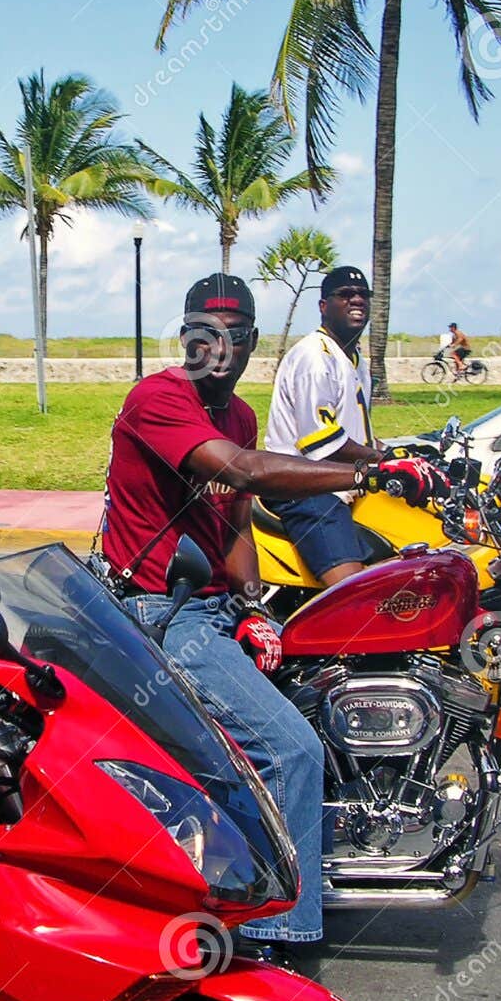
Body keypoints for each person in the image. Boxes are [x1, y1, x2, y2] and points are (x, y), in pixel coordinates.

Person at [101, 272, 445, 963]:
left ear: (253, 340)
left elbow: (233, 522)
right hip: (159, 609)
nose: (218, 348)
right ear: (185, 336)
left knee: (324, 688)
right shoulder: (158, 398)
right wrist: (371, 473)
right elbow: (245, 472)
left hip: (212, 604)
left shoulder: (238, 414)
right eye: (204, 334)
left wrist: (254, 608)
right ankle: (275, 943)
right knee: (290, 750)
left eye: (234, 335)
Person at [265, 266, 383, 587]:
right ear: (323, 306)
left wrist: (404, 454)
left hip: (342, 481)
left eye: (363, 295)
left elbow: (355, 433)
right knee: (352, 590)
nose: (356, 300)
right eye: (345, 295)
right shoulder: (314, 356)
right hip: (306, 486)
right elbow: (323, 441)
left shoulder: (354, 359)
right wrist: (381, 460)